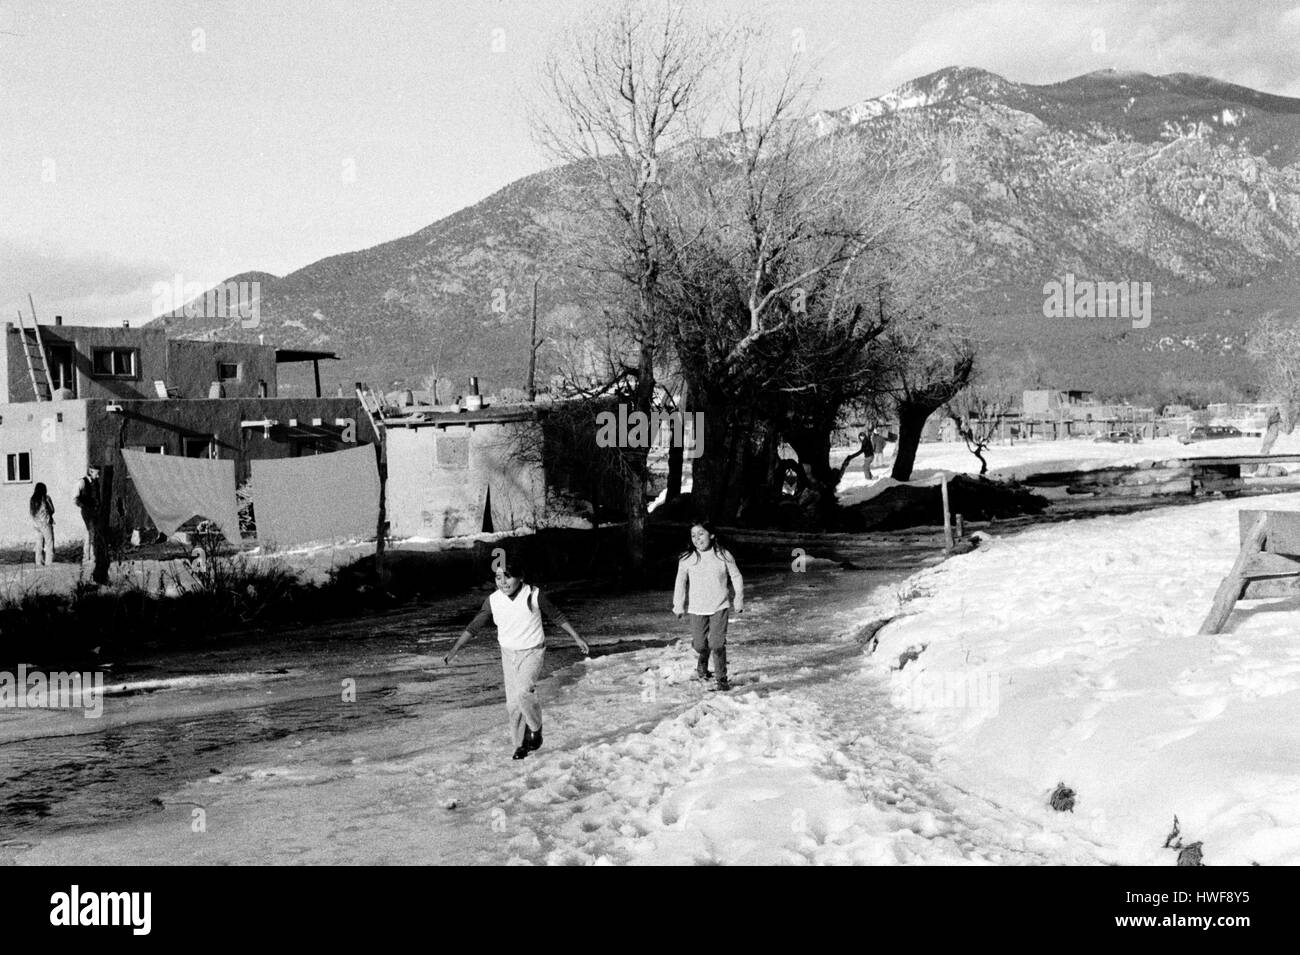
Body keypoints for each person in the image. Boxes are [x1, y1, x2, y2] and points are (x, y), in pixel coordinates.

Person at [443, 553, 589, 760]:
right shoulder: (493, 600)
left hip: (532, 651)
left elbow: (556, 615)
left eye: (508, 577)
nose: (503, 582)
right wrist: (455, 648)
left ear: (520, 577)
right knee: (512, 705)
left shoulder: (533, 594)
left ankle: (535, 729)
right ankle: (520, 745)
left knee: (523, 693)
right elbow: (475, 626)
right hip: (508, 654)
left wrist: (577, 638)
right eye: (498, 578)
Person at [673, 522, 744, 691]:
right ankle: (702, 664)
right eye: (693, 535)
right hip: (697, 608)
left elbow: (736, 576)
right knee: (699, 645)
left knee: (717, 644)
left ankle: (722, 679)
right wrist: (678, 604)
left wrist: (738, 598)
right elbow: (680, 583)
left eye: (701, 534)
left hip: (719, 605)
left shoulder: (723, 555)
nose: (697, 539)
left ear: (711, 535)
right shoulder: (686, 559)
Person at [74, 466, 108, 585]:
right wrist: (85, 505)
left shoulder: (96, 483)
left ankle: (89, 556)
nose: (98, 476)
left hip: (95, 511)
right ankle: (89, 556)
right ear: (90, 471)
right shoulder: (82, 482)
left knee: (91, 533)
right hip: (87, 511)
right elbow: (76, 499)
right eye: (97, 474)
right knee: (91, 532)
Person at [29, 482, 55, 566]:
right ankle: (49, 562)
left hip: (36, 524)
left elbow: (31, 512)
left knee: (39, 543)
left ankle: (38, 562)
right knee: (49, 542)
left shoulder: (33, 499)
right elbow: (52, 509)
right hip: (45, 523)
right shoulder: (46, 498)